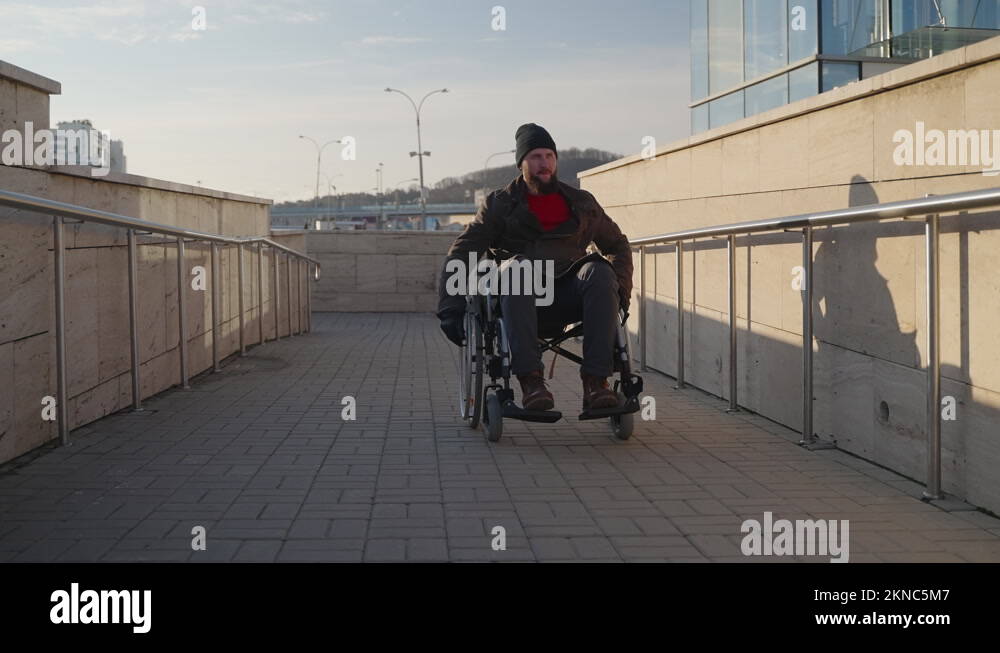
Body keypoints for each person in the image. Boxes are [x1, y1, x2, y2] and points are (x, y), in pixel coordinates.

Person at [437, 123, 634, 412]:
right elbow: (464, 251)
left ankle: (596, 383)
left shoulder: (581, 202)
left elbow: (617, 246)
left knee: (599, 271)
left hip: (570, 288)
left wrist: (621, 291)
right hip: (520, 293)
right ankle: (532, 383)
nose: (545, 163)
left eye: (549, 155)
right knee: (518, 270)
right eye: (536, 157)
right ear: (522, 164)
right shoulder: (499, 204)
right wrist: (450, 307)